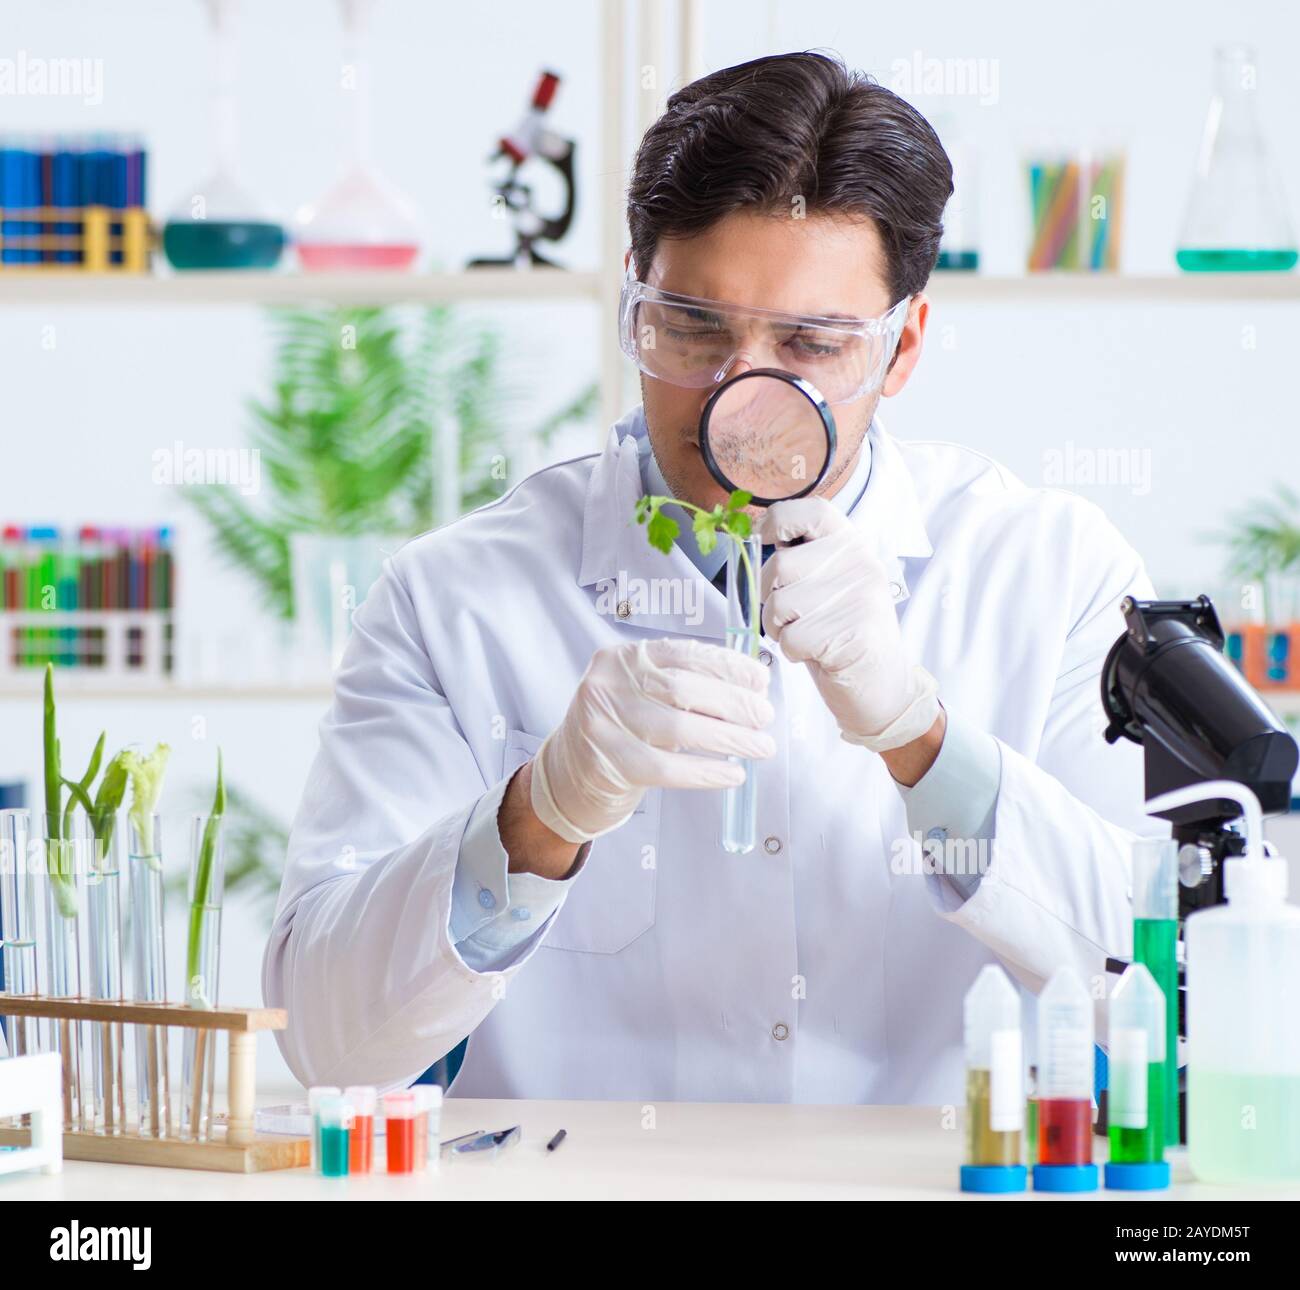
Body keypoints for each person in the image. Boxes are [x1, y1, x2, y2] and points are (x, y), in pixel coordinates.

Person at [264, 52, 1155, 1102]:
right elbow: (323, 1042)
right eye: (692, 328)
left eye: (811, 342)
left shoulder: (1047, 572)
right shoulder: (450, 599)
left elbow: (1151, 988)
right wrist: (540, 814)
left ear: (901, 348)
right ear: (632, 303)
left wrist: (922, 736)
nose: (741, 397)